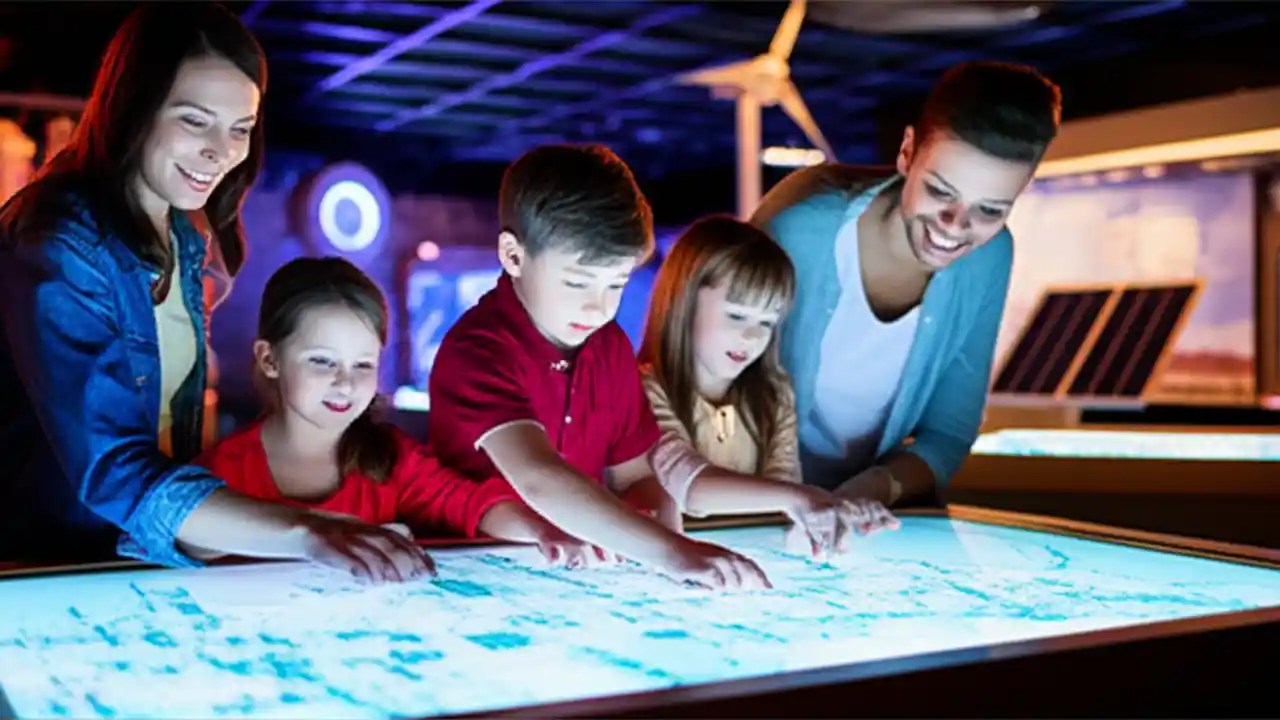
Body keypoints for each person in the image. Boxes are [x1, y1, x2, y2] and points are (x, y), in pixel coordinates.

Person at [0, 3, 430, 583]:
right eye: (194, 121)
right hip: (40, 566)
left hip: (125, 559)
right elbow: (111, 466)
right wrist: (307, 530)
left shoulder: (185, 234)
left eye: (241, 130)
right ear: (134, 109)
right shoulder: (61, 238)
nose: (221, 152)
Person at [428, 144, 771, 590]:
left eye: (617, 283)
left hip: (582, 578)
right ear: (514, 256)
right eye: (577, 282)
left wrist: (667, 540)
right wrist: (673, 554)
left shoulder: (608, 345)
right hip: (475, 576)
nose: (599, 306)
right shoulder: (477, 351)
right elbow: (539, 478)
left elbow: (640, 476)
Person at [751, 60, 1062, 508]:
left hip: (866, 518)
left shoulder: (990, 257)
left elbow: (949, 433)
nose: (955, 227)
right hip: (748, 500)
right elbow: (695, 380)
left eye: (990, 210)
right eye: (940, 192)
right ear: (907, 152)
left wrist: (878, 488)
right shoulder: (800, 226)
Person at [196, 258, 536, 554]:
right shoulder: (219, 474)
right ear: (269, 359)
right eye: (322, 362)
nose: (345, 383)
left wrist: (543, 533)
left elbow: (475, 505)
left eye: (362, 365)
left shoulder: (393, 459)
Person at [638, 215, 899, 556]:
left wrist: (833, 513)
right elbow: (689, 486)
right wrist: (805, 499)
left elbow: (783, 497)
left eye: (767, 321)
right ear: (683, 302)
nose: (753, 336)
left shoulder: (774, 393)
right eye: (736, 315)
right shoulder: (641, 390)